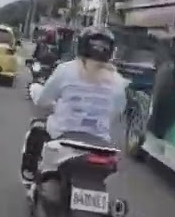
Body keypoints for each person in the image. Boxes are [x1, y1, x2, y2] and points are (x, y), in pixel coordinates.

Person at [20, 27, 129, 184]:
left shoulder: (66, 70)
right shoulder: (118, 80)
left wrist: (34, 89)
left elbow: (43, 100)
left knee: (37, 127)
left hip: (63, 137)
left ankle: (30, 175)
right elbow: (117, 111)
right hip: (100, 144)